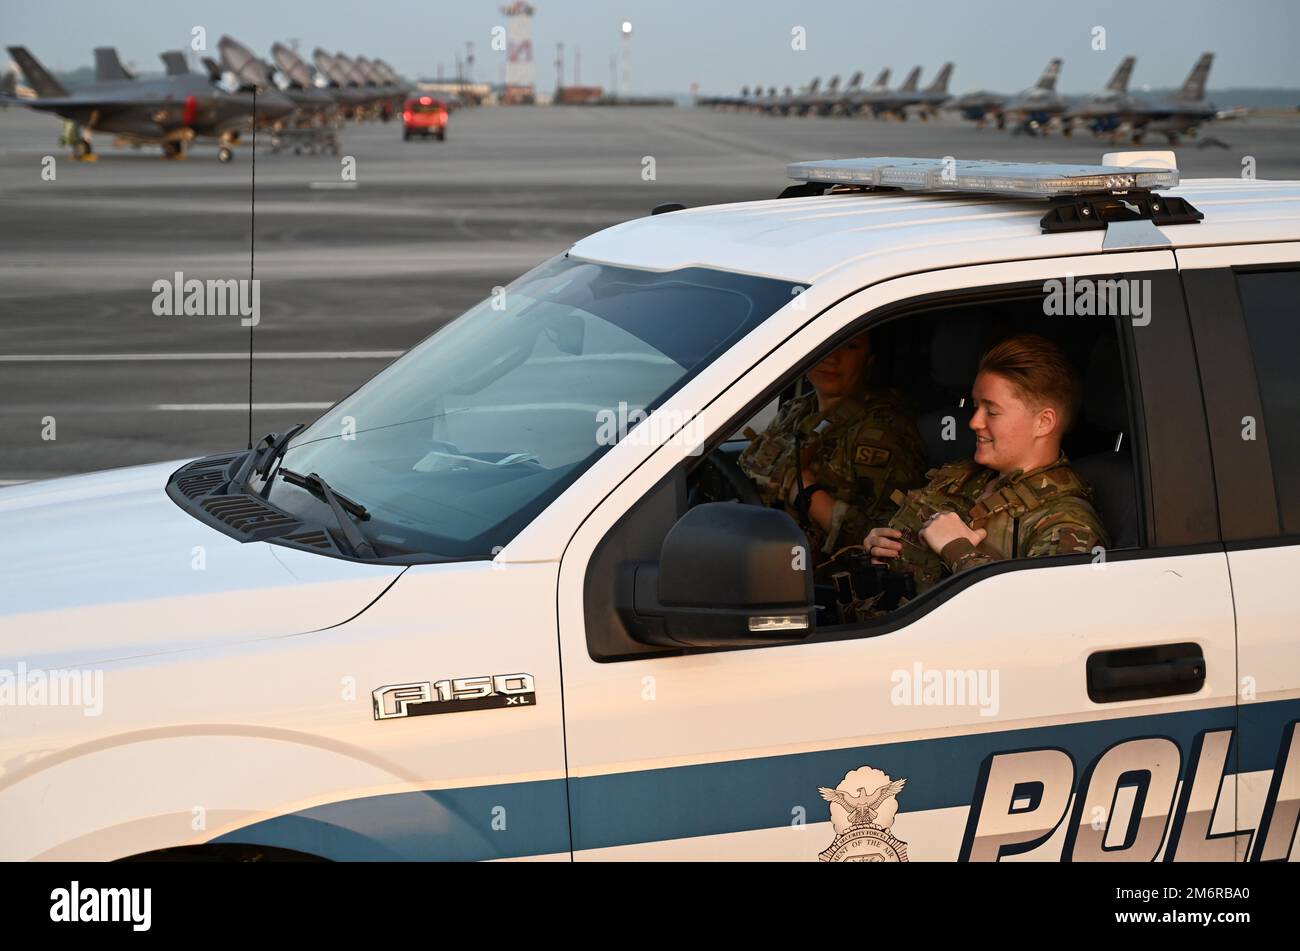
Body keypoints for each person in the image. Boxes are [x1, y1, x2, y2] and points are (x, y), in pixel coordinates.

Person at [864, 332, 1108, 599]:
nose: (974, 422)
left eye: (991, 411)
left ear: (1044, 422)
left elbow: (1042, 619)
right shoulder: (965, 476)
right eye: (976, 406)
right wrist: (880, 545)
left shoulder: (1067, 523)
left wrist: (956, 548)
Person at [738, 330, 928, 568]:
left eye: (850, 347)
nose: (832, 358)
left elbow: (888, 538)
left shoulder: (883, 429)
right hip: (759, 546)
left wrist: (808, 493)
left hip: (821, 575)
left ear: (869, 359)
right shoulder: (794, 411)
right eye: (825, 343)